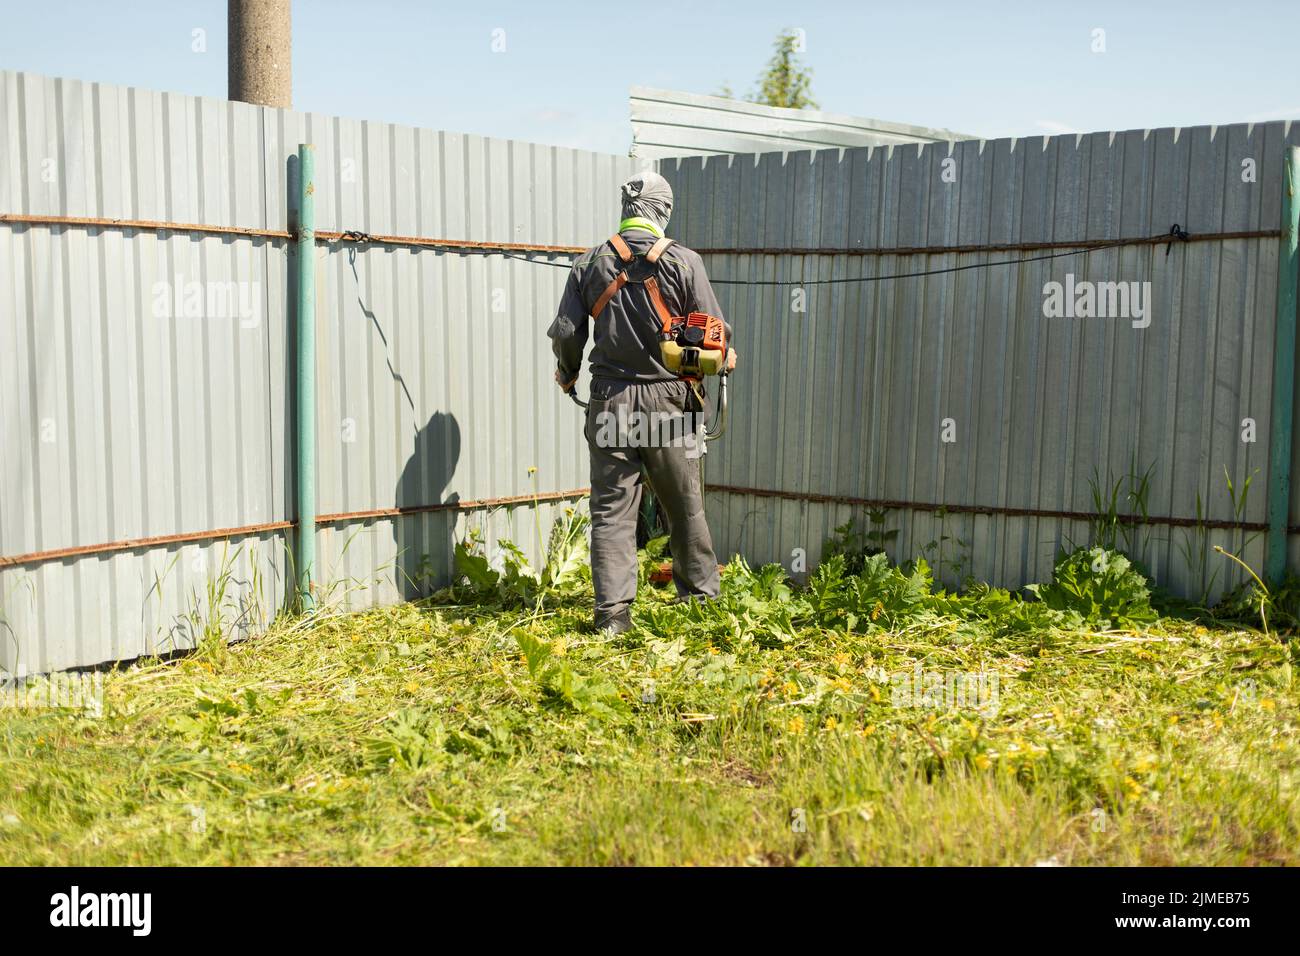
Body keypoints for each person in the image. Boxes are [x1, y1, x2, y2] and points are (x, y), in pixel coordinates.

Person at [547, 172, 736, 635]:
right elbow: (715, 333)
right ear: (663, 211)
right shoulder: (685, 262)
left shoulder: (589, 264)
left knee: (611, 510)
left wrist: (568, 373)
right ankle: (700, 605)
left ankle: (612, 617)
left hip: (611, 401)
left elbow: (568, 332)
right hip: (673, 404)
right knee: (685, 505)